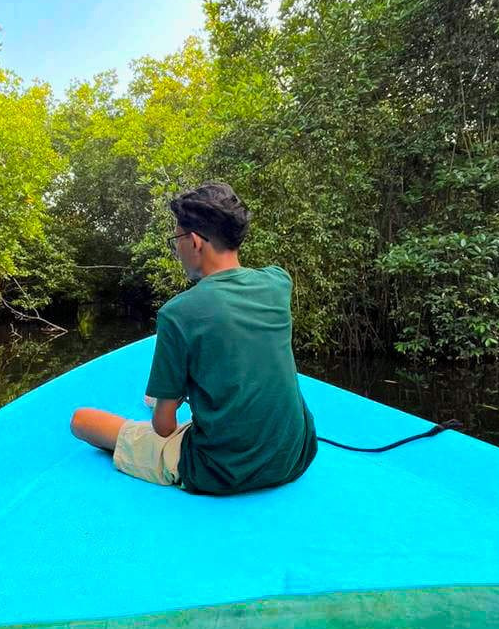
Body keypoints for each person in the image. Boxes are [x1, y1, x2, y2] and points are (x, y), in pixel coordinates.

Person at [70, 182, 318, 494]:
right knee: (163, 398)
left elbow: (164, 427)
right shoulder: (278, 283)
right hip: (295, 455)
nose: (175, 249)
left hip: (221, 468)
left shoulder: (178, 314)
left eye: (176, 239)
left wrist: (174, 397)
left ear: (195, 241)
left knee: (81, 420)